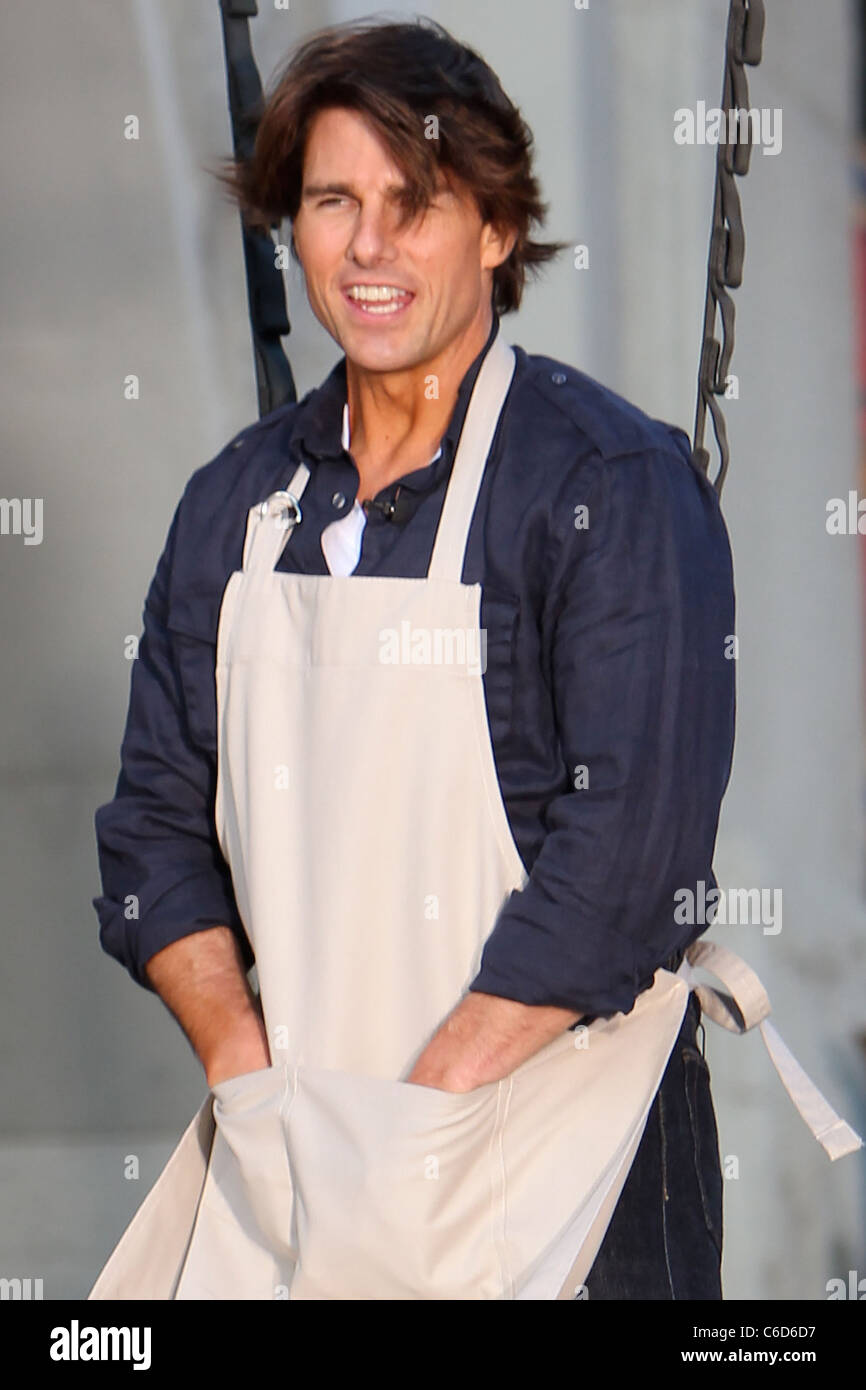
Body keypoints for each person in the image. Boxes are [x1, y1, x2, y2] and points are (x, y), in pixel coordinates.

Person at [92, 16, 735, 1299]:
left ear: (496, 232)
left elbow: (625, 870)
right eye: (332, 201)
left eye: (415, 203)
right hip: (306, 1169)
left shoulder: (608, 484)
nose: (368, 247)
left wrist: (421, 1123)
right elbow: (150, 841)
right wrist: (248, 1076)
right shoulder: (235, 504)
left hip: (568, 1168)